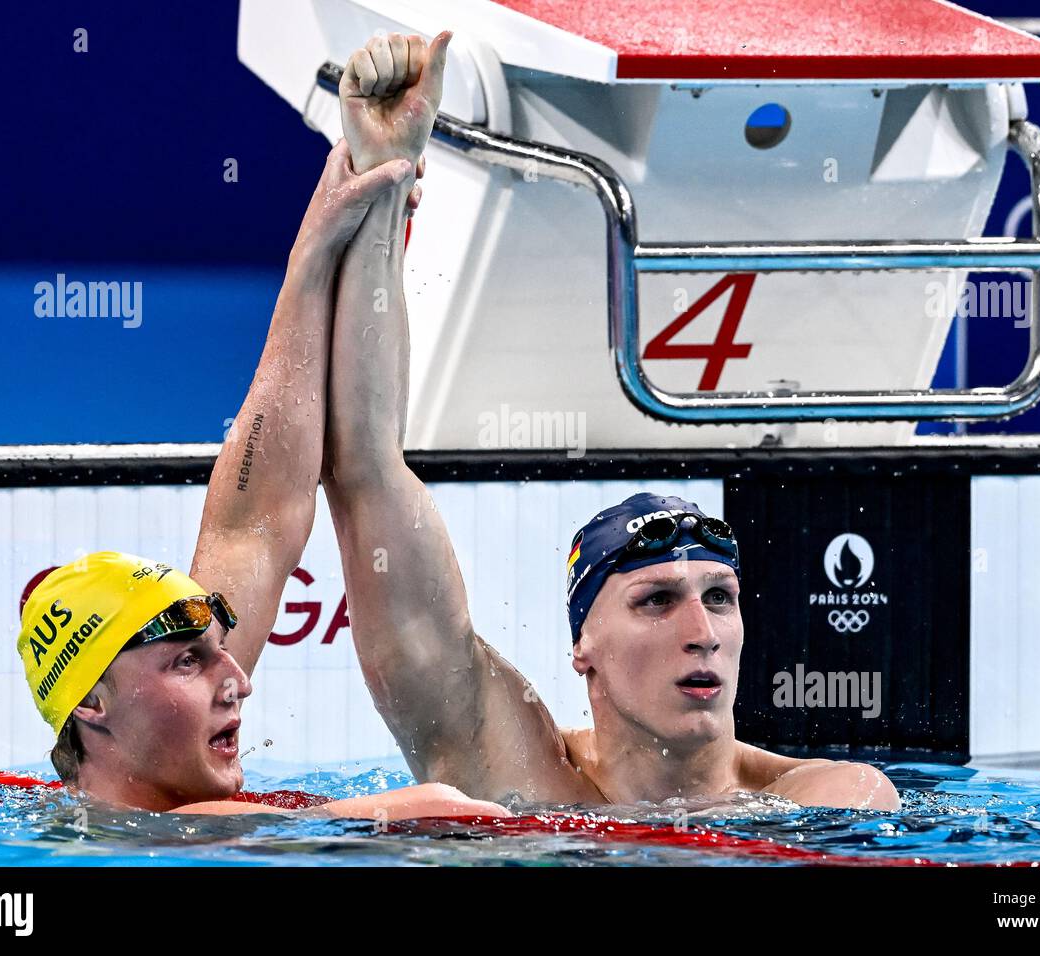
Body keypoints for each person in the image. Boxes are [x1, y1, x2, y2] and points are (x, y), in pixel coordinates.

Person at [320, 30, 900, 812]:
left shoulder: (836, 798)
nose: (701, 631)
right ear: (581, 650)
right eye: (655, 600)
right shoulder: (511, 771)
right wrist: (383, 177)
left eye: (719, 597)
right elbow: (365, 467)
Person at [17, 136, 507, 821]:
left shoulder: (134, 779)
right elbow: (451, 811)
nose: (240, 681)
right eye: (189, 662)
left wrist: (313, 253)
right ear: (91, 703)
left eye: (218, 652)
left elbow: (254, 522)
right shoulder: (163, 830)